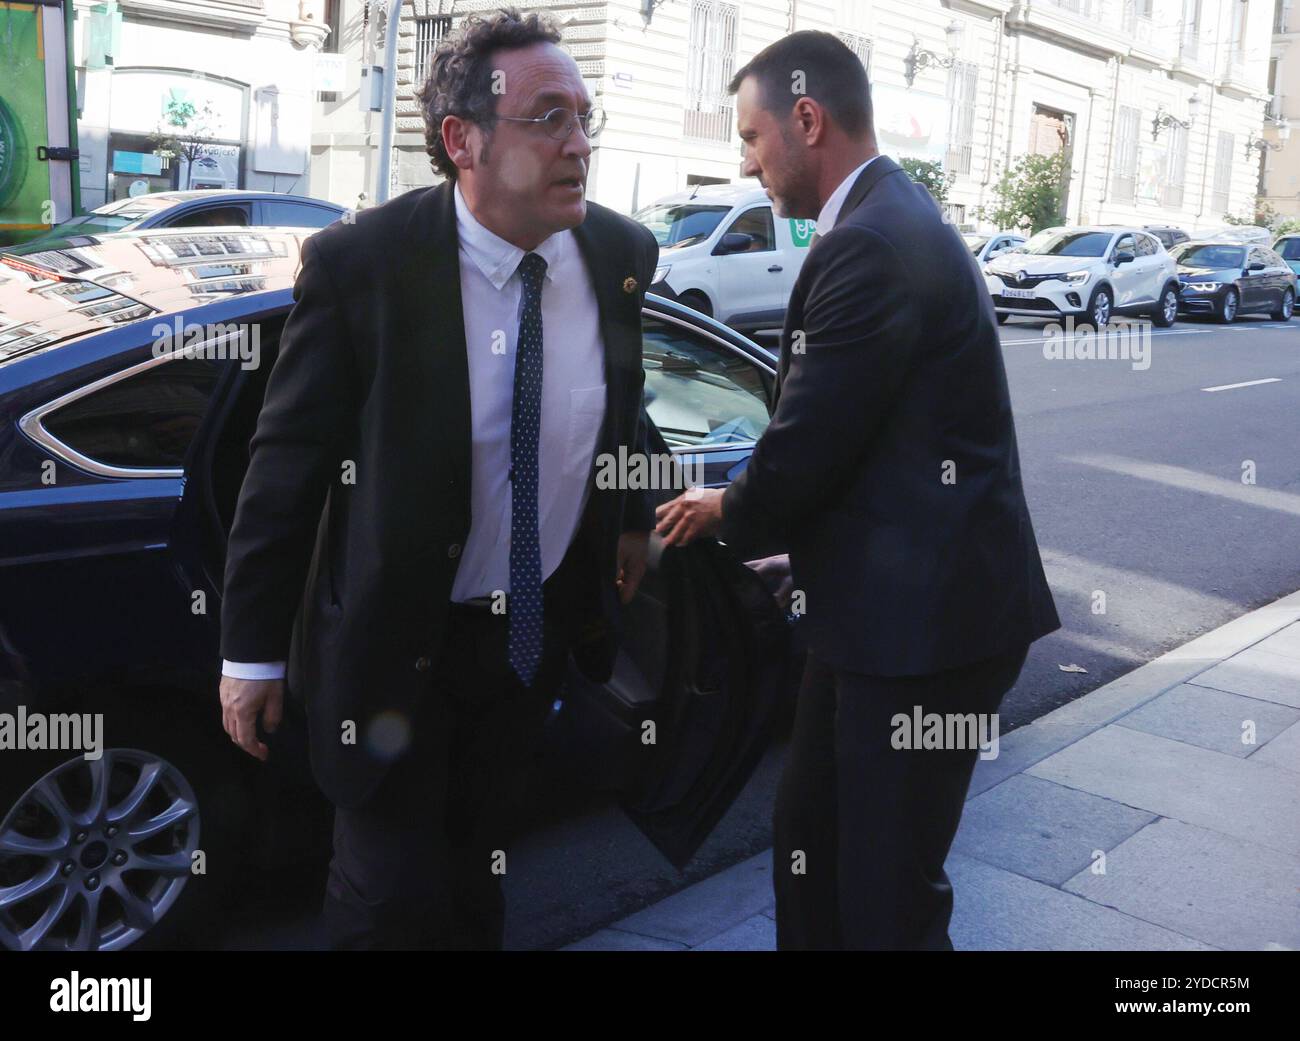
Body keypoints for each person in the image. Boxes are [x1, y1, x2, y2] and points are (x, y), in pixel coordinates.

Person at [218, 8, 657, 950]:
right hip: (391, 650)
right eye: (550, 118)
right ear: (462, 140)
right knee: (385, 904)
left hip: (525, 649)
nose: (579, 143)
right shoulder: (364, 267)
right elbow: (285, 467)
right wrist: (250, 651)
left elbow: (621, 404)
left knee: (479, 881)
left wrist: (629, 519)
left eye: (586, 116)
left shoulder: (620, 257)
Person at [655, 31, 1060, 950]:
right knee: (814, 844)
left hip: (924, 636)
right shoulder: (887, 217)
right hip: (887, 620)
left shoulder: (872, 241)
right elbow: (872, 442)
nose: (747, 161)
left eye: (753, 137)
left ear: (808, 118)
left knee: (886, 898)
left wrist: (724, 507)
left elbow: (806, 446)